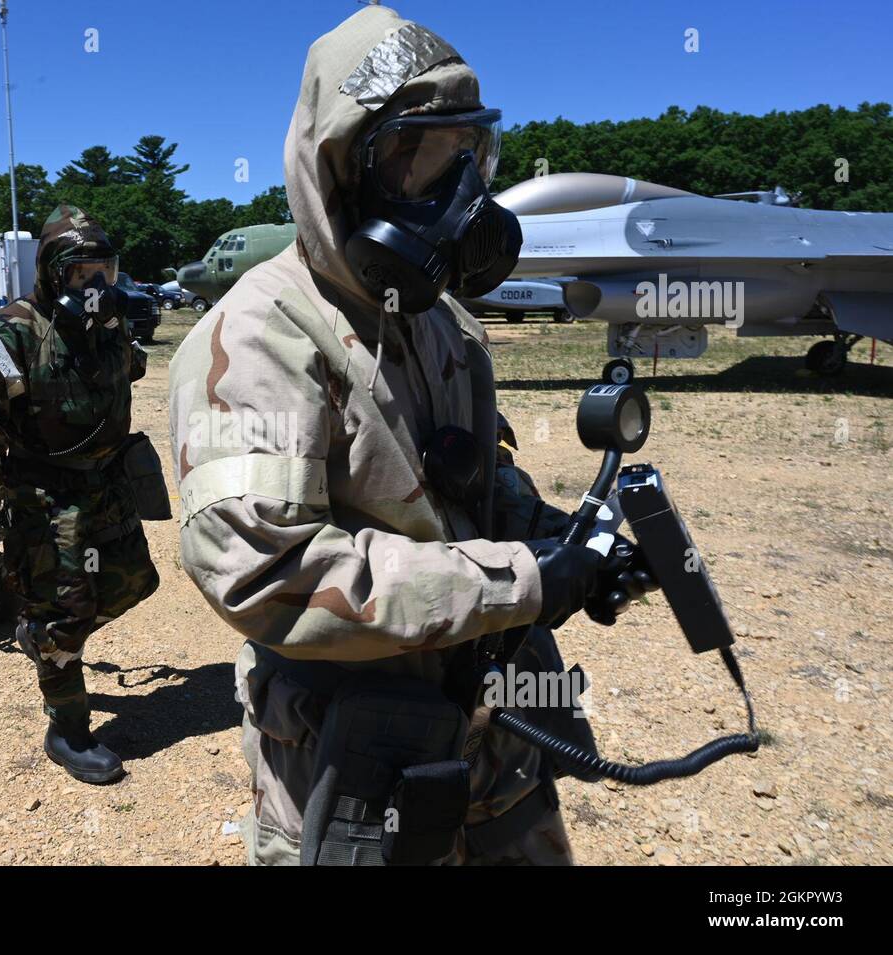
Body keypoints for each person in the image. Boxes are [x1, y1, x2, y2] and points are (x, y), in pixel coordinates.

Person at [168, 6, 653, 864]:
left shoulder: (445, 324)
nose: (450, 190)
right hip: (355, 757)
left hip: (495, 736)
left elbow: (469, 487)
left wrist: (563, 538)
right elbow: (268, 574)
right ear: (338, 170)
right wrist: (523, 580)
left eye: (462, 155)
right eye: (413, 157)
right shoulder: (258, 337)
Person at [0, 204, 162, 785]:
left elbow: (133, 369)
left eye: (105, 272)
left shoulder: (107, 326)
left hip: (106, 486)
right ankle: (66, 726)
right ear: (50, 272)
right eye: (81, 274)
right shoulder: (9, 334)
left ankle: (39, 634)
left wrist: (116, 329)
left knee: (136, 582)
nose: (95, 286)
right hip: (45, 500)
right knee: (66, 616)